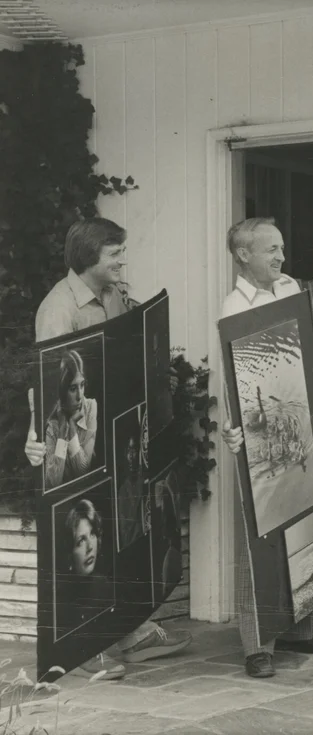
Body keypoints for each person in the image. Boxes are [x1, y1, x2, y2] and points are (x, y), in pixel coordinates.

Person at [23, 217, 191, 680]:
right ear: (88, 256)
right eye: (114, 252)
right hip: (71, 444)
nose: (122, 260)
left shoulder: (115, 295)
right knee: (75, 536)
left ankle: (130, 634)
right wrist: (39, 442)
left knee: (117, 535)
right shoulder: (58, 308)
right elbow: (46, 384)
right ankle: (82, 648)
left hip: (113, 434)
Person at [217, 217, 313, 679]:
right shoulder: (234, 305)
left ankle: (299, 630)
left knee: (302, 525)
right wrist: (232, 426)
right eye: (272, 249)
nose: (281, 257)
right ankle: (257, 645)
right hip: (260, 434)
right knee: (261, 540)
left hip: (300, 425)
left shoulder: (292, 290)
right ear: (244, 255)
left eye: (282, 248)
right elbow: (231, 375)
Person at [57, 499, 115, 641]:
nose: (90, 546)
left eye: (92, 534)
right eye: (81, 541)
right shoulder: (60, 598)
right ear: (69, 552)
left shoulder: (103, 586)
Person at [44, 350, 98, 489]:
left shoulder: (91, 407)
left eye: (82, 385)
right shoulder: (52, 426)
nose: (80, 396)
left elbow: (84, 472)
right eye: (73, 388)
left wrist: (73, 428)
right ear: (63, 391)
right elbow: (53, 483)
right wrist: (62, 431)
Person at [116, 435, 143, 551]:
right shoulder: (123, 491)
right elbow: (125, 534)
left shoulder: (144, 481)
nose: (131, 456)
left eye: (134, 450)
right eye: (128, 451)